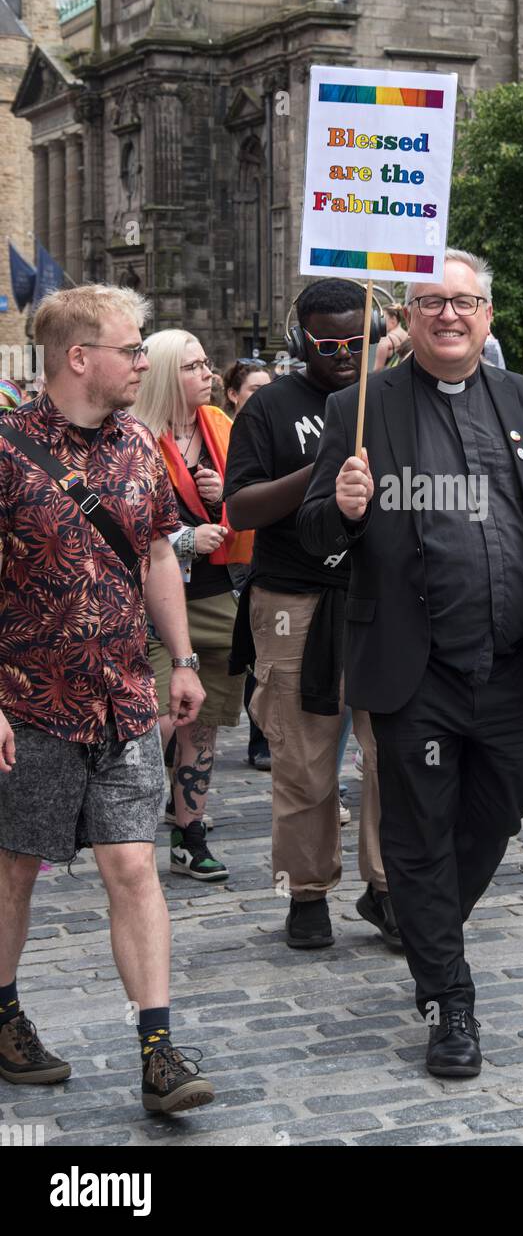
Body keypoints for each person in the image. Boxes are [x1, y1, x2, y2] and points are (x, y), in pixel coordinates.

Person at [297, 248, 523, 1079]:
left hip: (509, 662)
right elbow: (317, 530)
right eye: (430, 303)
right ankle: (449, 998)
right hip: (412, 664)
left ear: (489, 317)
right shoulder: (362, 407)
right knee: (419, 832)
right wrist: (344, 508)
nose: (448, 316)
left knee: (497, 811)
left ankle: (425, 924)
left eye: (463, 304)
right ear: (408, 318)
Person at [0, 285, 215, 1114]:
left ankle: (158, 1051)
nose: (141, 362)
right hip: (29, 703)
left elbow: (158, 554)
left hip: (124, 699)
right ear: (77, 357)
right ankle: (6, 1013)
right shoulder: (8, 447)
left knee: (132, 867)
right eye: (130, 349)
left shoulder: (136, 443)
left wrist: (184, 659)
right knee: (16, 868)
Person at [224, 279, 395, 951]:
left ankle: (388, 888)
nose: (344, 354)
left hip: (381, 600)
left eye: (358, 341)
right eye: (328, 344)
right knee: (302, 759)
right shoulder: (269, 407)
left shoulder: (394, 401)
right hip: (294, 602)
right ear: (300, 341)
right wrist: (323, 469)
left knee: (392, 757)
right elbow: (240, 509)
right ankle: (306, 891)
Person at [134, 332, 250, 884]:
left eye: (208, 362)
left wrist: (225, 492)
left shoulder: (223, 428)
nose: (208, 373)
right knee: (157, 722)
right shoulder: (132, 437)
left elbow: (252, 499)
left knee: (202, 728)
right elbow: (119, 528)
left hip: (216, 592)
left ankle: (189, 832)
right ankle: (125, 830)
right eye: (193, 366)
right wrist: (183, 539)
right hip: (154, 602)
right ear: (160, 375)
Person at [222, 357, 274, 771]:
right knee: (248, 650)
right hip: (228, 554)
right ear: (233, 395)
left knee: (262, 655)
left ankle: (263, 739)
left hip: (258, 550)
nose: (264, 394)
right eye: (255, 389)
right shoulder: (222, 431)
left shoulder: (273, 425)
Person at [373, 304, 412, 372]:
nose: (379, 323)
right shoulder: (409, 337)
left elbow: (377, 371)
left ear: (393, 319)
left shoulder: (385, 341)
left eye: (382, 318)